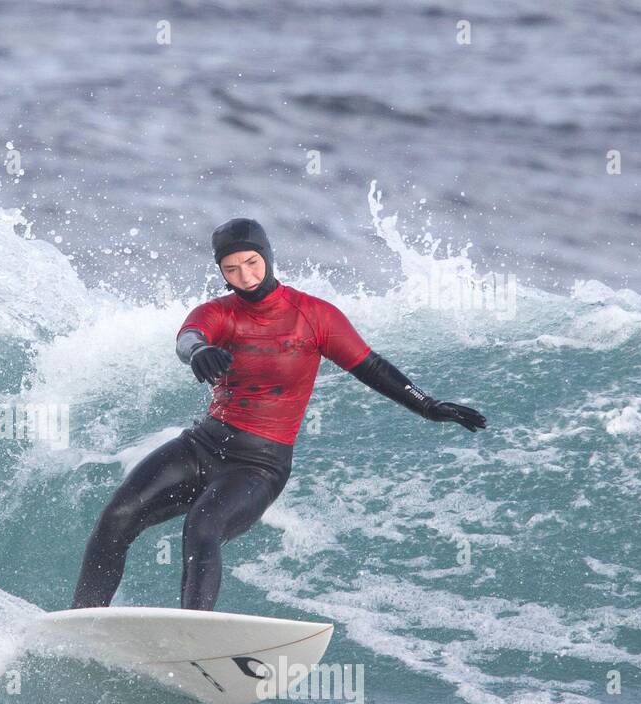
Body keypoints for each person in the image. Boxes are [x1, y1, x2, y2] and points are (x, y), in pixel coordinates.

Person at [70, 218, 487, 611]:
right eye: (231, 269)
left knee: (203, 528)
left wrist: (427, 405)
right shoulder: (218, 314)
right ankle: (82, 619)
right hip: (201, 446)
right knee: (116, 517)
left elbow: (372, 367)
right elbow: (189, 337)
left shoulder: (314, 316)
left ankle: (194, 633)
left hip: (258, 465)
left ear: (268, 256)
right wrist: (198, 352)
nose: (246, 276)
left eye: (252, 263)